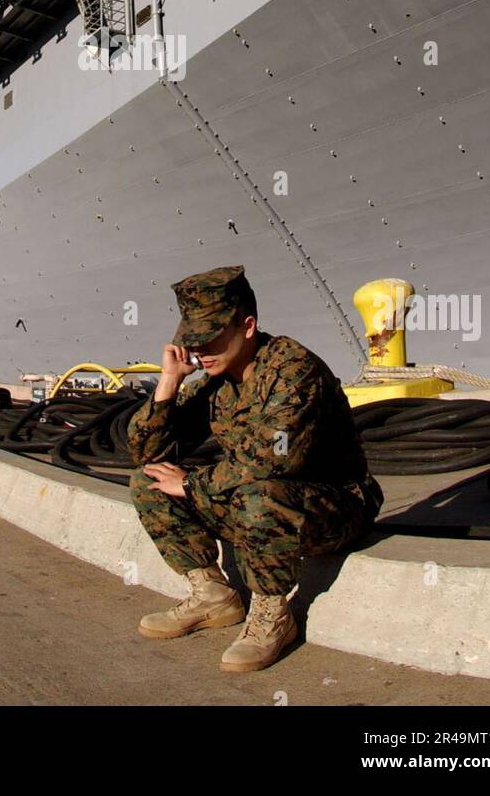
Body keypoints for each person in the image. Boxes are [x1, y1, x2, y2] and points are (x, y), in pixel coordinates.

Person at [127, 265, 384, 674]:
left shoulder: (293, 369)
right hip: (262, 502)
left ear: (247, 326)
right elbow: (145, 453)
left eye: (210, 338)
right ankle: (213, 595)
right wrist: (168, 384)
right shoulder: (217, 378)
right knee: (149, 482)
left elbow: (274, 460)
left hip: (333, 507)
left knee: (258, 493)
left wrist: (192, 484)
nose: (200, 351)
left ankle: (272, 616)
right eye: (192, 342)